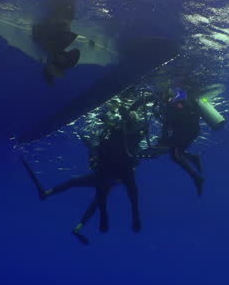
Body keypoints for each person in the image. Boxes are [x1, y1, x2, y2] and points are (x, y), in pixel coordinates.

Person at [22, 104, 146, 244]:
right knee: (96, 201)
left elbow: (102, 149)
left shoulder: (117, 139)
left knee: (79, 186)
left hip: (104, 176)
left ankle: (49, 194)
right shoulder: (126, 142)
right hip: (111, 178)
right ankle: (77, 226)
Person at [156, 87, 206, 196]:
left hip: (185, 132)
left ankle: (196, 178)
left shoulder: (171, 105)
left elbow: (167, 125)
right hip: (192, 131)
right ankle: (193, 158)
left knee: (174, 155)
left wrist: (164, 139)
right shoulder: (179, 100)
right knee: (177, 150)